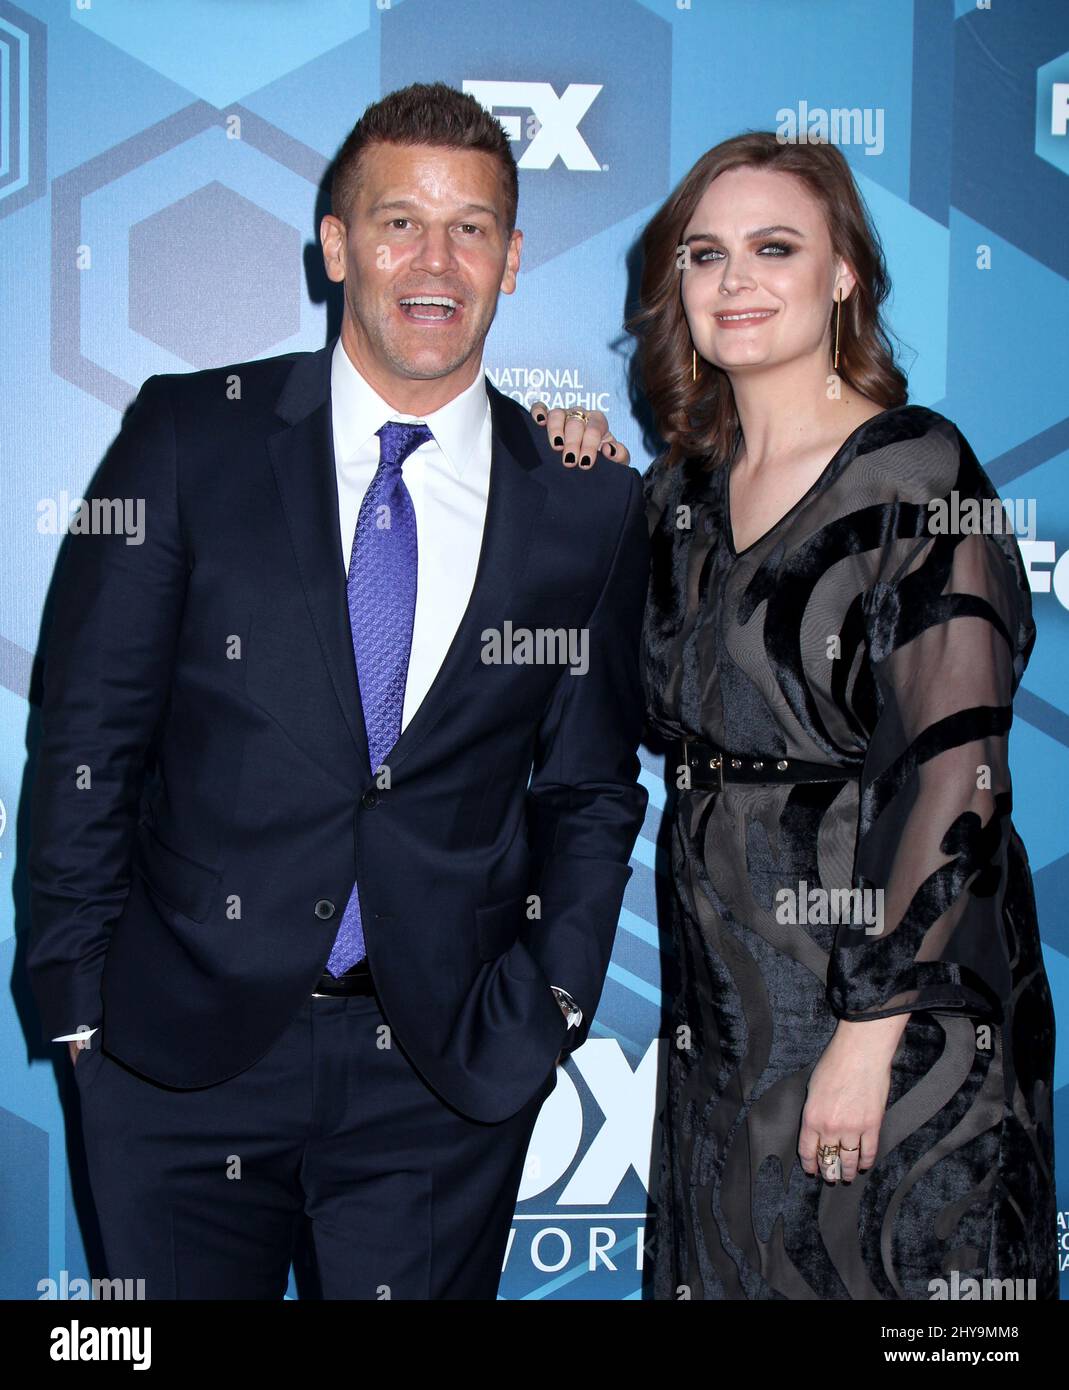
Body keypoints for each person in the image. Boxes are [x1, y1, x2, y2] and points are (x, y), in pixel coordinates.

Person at [27, 81, 650, 1300]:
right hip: (174, 1057)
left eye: (471, 227)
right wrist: (79, 1012)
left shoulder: (583, 503)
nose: (436, 259)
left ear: (513, 259)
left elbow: (587, 788)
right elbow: (88, 736)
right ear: (336, 246)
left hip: (441, 1075)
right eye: (398, 221)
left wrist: (549, 1005)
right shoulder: (189, 438)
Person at [532, 131, 1057, 1300]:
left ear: (842, 276)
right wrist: (586, 473)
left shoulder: (914, 471)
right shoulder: (678, 489)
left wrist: (869, 1037)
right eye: (705, 255)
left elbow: (950, 776)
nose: (735, 281)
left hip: (886, 994)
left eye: (775, 247)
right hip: (724, 992)